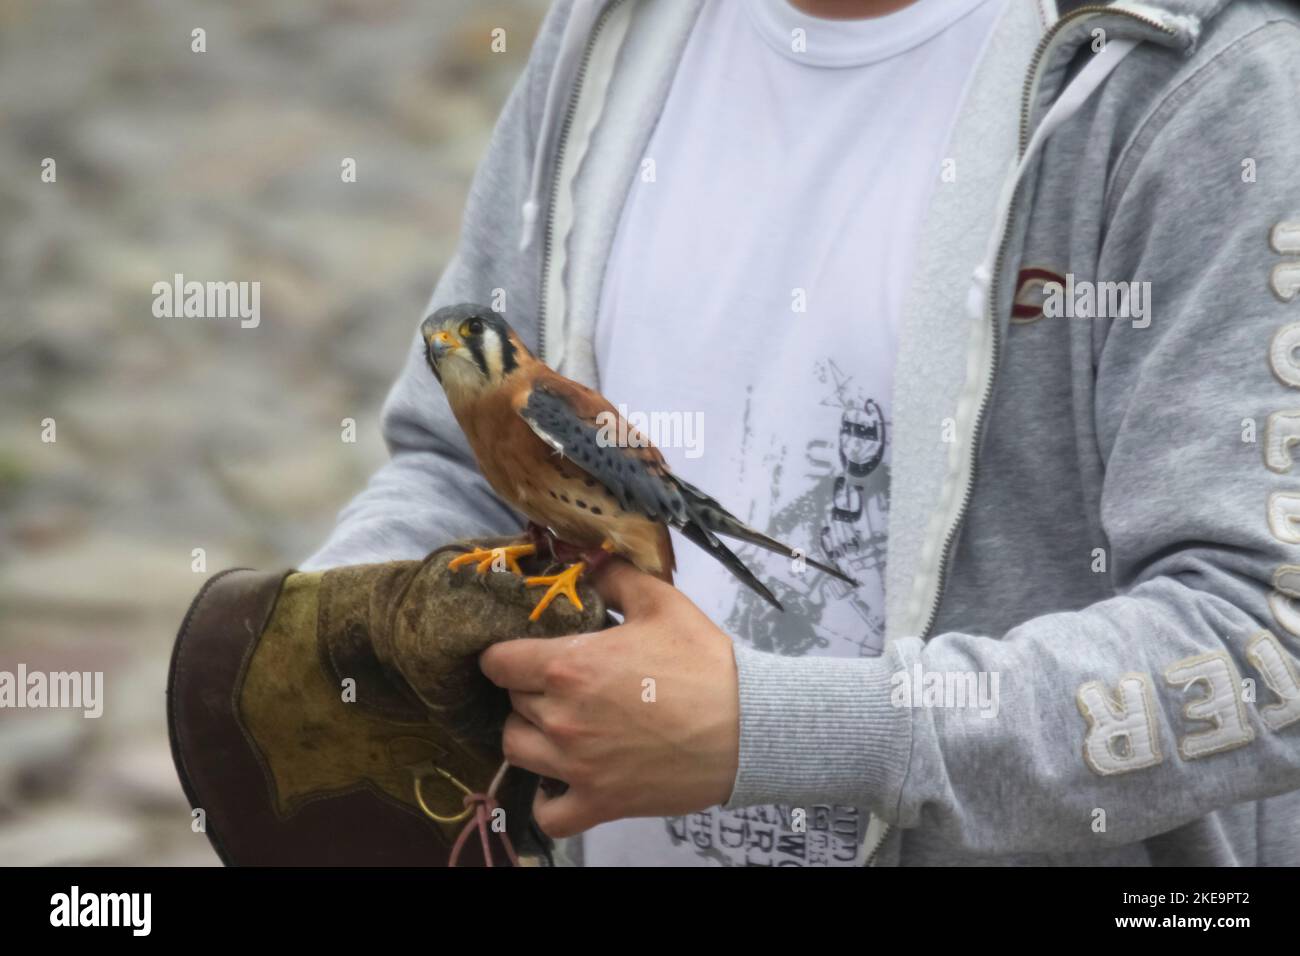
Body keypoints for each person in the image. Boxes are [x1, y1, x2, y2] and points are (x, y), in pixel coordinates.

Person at [303, 0, 1300, 866]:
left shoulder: (1199, 80)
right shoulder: (614, 25)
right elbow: (457, 464)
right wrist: (332, 639)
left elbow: (1267, 648)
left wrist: (771, 731)